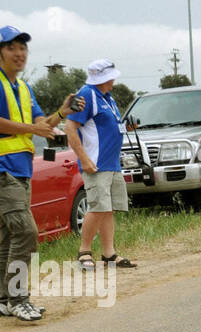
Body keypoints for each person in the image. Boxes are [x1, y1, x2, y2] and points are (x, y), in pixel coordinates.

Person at [0, 25, 84, 322]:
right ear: (0, 53)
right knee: (26, 231)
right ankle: (18, 298)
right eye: (12, 48)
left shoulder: (24, 88)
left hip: (20, 171)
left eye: (23, 48)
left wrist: (61, 113)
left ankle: (4, 300)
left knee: (10, 235)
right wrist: (32, 129)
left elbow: (43, 125)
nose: (19, 53)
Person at [65, 59, 135, 270]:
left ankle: (109, 254)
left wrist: (127, 128)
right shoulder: (85, 95)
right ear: (102, 77)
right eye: (111, 76)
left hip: (111, 164)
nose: (114, 79)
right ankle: (84, 251)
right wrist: (84, 159)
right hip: (96, 164)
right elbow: (70, 127)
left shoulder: (108, 97)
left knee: (107, 209)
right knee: (96, 207)